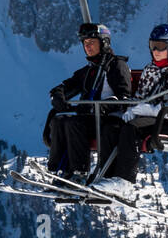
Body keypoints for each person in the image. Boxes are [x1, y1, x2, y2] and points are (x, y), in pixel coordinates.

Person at [92, 24, 168, 201]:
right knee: (112, 126)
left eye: (161, 47)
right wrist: (133, 109)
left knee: (132, 129)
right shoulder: (151, 69)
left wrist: (153, 110)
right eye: (152, 46)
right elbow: (140, 96)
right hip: (148, 117)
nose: (155, 51)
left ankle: (124, 181)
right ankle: (106, 177)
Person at [43, 22, 131, 182]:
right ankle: (58, 170)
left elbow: (124, 96)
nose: (88, 47)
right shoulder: (89, 70)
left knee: (73, 123)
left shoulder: (117, 66)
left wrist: (105, 106)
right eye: (85, 43)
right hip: (89, 118)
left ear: (104, 43)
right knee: (59, 120)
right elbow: (67, 86)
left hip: (108, 119)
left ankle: (79, 172)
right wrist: (58, 95)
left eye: (92, 43)